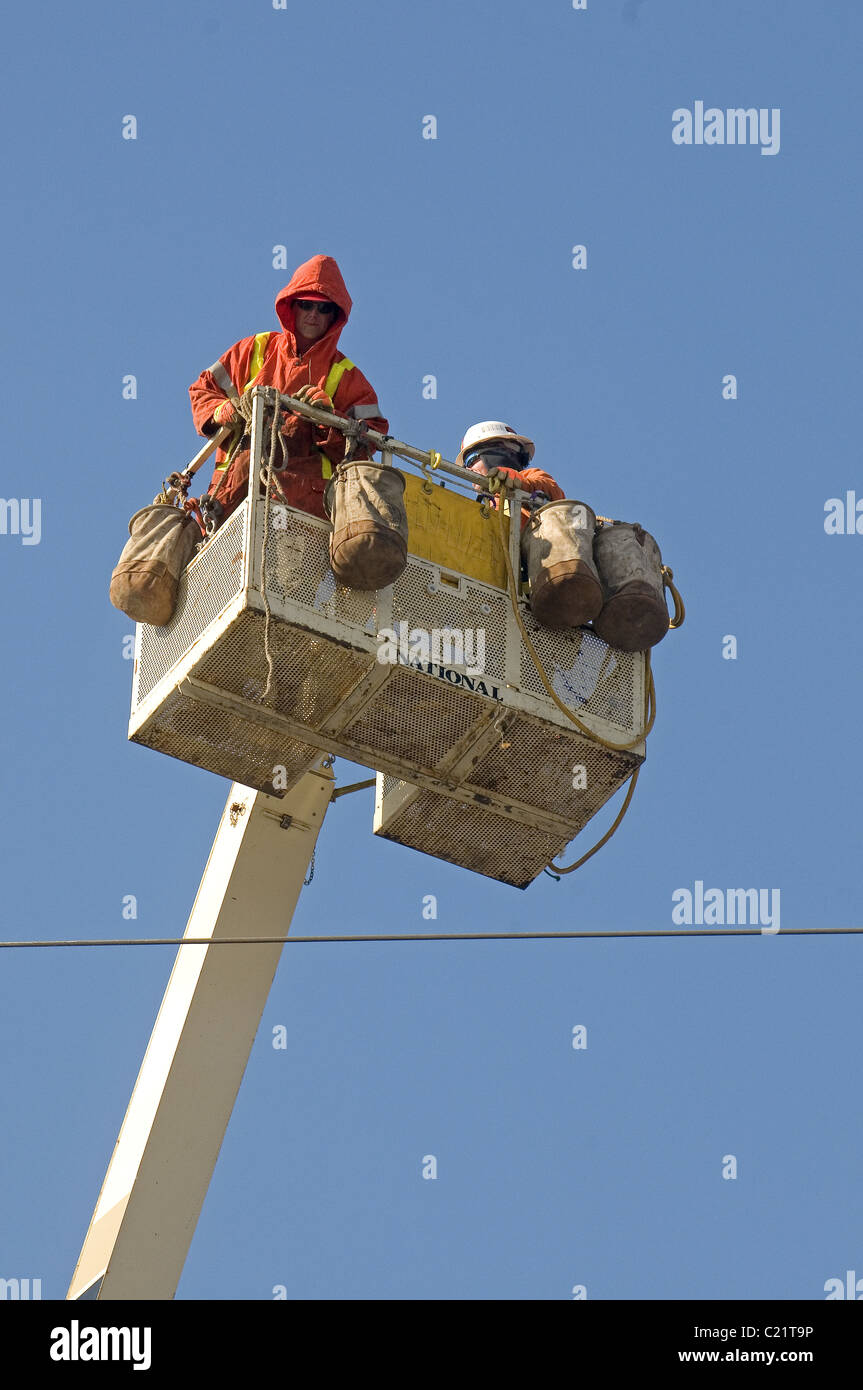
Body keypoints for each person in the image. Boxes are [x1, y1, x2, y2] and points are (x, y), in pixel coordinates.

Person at [188, 254, 388, 523]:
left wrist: (328, 420)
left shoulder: (348, 377)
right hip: (231, 502)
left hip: (303, 514)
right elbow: (202, 390)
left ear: (335, 316)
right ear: (292, 306)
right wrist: (227, 410)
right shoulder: (255, 349)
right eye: (306, 305)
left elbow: (370, 444)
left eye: (323, 308)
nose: (314, 315)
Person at [455, 420, 565, 526]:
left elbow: (552, 492)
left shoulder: (530, 477)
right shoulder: (488, 508)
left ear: (495, 454)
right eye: (465, 466)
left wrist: (517, 482)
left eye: (470, 460)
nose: (468, 470)